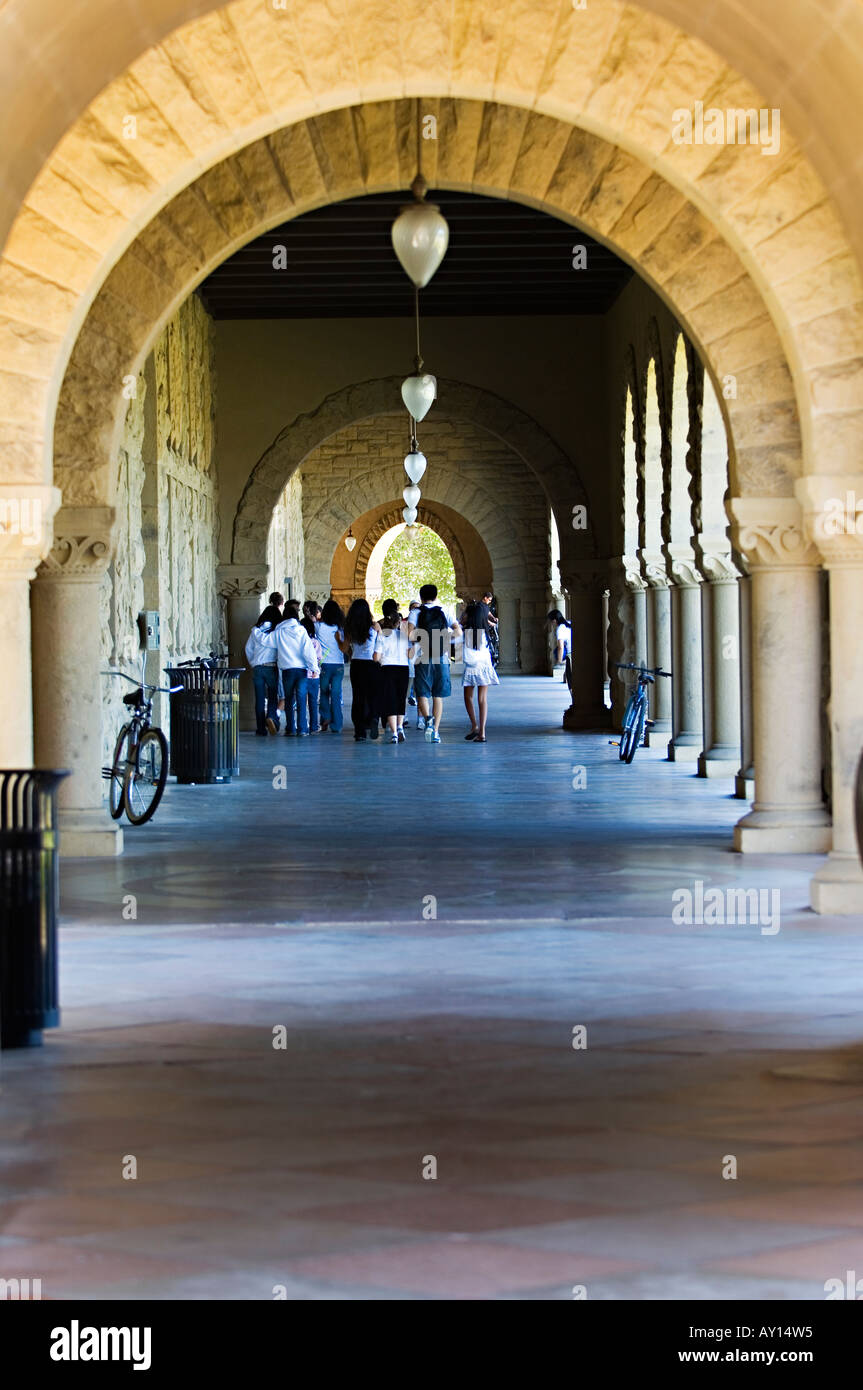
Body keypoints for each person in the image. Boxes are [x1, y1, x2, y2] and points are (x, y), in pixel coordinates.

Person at [410, 582, 462, 744]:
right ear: (436, 596)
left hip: (422, 655)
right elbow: (458, 631)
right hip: (441, 656)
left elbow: (410, 634)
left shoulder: (416, 612)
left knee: (422, 693)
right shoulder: (444, 611)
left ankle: (428, 720)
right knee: (438, 695)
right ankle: (436, 732)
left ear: (421, 597)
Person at [261, 599, 320, 735]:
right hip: (301, 670)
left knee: (288, 699)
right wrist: (314, 668)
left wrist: (256, 632)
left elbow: (267, 642)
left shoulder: (279, 631)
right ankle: (302, 729)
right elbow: (308, 651)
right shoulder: (301, 630)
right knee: (300, 698)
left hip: (286, 670)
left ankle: (290, 729)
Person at [373, 599, 414, 743]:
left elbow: (376, 657)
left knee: (389, 700)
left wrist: (380, 659)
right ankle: (400, 726)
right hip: (403, 669)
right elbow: (410, 655)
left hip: (387, 669)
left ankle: (395, 733)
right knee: (400, 699)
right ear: (399, 623)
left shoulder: (382, 635)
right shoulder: (403, 636)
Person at [462, 598, 499, 742]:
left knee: (468, 697)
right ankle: (482, 732)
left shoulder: (467, 633)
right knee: (482, 699)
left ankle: (474, 725)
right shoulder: (485, 632)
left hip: (472, 668)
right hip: (485, 667)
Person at [345, 598, 381, 742]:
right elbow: (380, 644)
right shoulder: (374, 626)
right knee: (373, 695)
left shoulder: (349, 627)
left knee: (358, 697)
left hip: (357, 665)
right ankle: (373, 718)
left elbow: (346, 648)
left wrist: (350, 653)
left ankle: (359, 731)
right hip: (372, 664)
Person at [244, 603, 283, 736]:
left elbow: (248, 649)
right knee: (272, 696)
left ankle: (261, 728)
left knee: (259, 698)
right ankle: (271, 717)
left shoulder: (256, 630)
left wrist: (253, 663)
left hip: (258, 668)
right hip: (271, 667)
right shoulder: (277, 631)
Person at [316, 598, 350, 733]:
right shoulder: (341, 628)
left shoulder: (319, 627)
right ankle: (337, 724)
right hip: (338, 665)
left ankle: (325, 717)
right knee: (336, 694)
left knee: (324, 692)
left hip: (324, 664)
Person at [300, 600, 323, 734]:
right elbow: (319, 658)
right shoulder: (315, 642)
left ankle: (303, 725)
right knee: (313, 702)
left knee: (302, 702)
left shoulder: (300, 642)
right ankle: (314, 726)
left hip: (303, 674)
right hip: (314, 676)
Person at [547, 608, 572, 685]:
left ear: (554, 621)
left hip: (570, 654)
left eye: (551, 622)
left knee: (571, 684)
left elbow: (560, 647)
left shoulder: (560, 629)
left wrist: (559, 661)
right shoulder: (569, 623)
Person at [405, 598, 422, 711]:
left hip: (420, 654)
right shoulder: (405, 621)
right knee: (409, 681)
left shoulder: (423, 621)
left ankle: (420, 719)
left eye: (417, 607)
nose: (415, 609)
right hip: (409, 654)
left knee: (419, 684)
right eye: (413, 607)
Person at [482, 590, 500, 668]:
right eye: (489, 600)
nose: (489, 602)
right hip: (483, 630)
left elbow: (488, 613)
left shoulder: (485, 606)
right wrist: (491, 623)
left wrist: (494, 618)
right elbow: (483, 618)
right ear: (485, 598)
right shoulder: (480, 606)